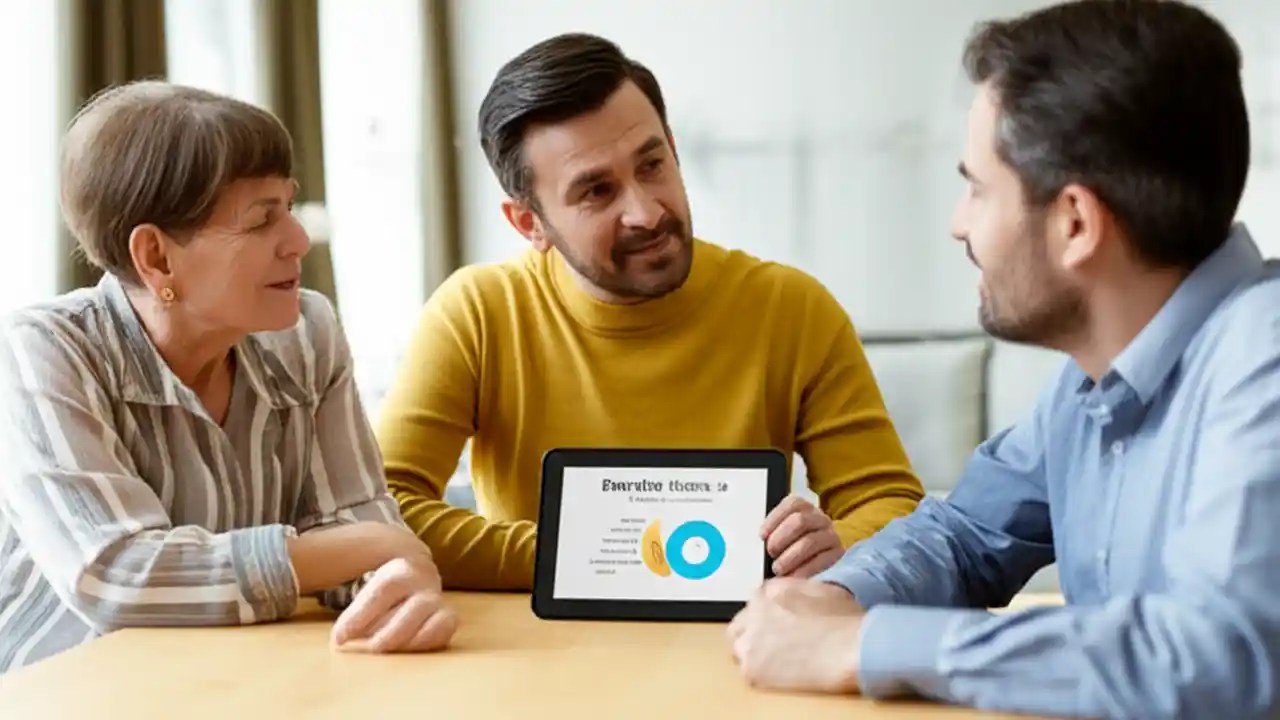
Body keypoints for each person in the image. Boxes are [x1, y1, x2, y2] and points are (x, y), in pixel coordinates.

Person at [727, 1, 1280, 717]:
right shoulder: (1090, 382)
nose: (959, 224)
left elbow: (1216, 662)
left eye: (978, 188)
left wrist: (860, 646)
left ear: (1075, 223)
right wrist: (826, 603)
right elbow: (962, 537)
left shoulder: (1261, 359)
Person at [376, 33, 924, 589]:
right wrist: (598, 557)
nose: (645, 210)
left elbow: (890, 504)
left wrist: (838, 546)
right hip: (540, 657)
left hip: (745, 650)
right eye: (596, 191)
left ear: (674, 150)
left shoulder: (793, 309)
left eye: (652, 164)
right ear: (529, 223)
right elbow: (384, 511)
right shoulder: (478, 314)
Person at [0, 82, 457, 674]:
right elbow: (115, 574)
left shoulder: (308, 332)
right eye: (262, 220)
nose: (297, 241)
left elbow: (354, 518)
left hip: (248, 681)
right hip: (62, 689)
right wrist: (379, 548)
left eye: (289, 208)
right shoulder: (45, 350)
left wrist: (395, 588)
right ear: (157, 257)